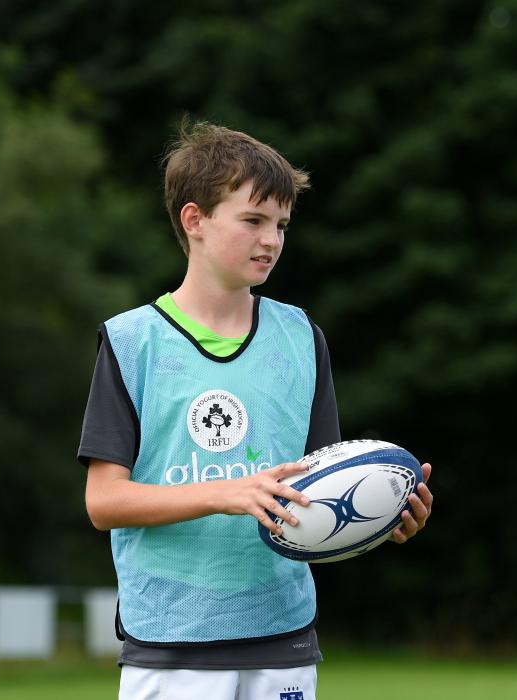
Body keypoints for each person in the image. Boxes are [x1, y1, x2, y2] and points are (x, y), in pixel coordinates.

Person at [77, 121, 434, 700]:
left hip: (283, 641)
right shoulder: (131, 341)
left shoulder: (302, 337)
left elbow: (318, 491)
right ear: (195, 220)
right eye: (253, 220)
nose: (272, 240)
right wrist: (227, 493)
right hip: (172, 644)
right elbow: (104, 502)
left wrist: (381, 514)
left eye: (282, 224)